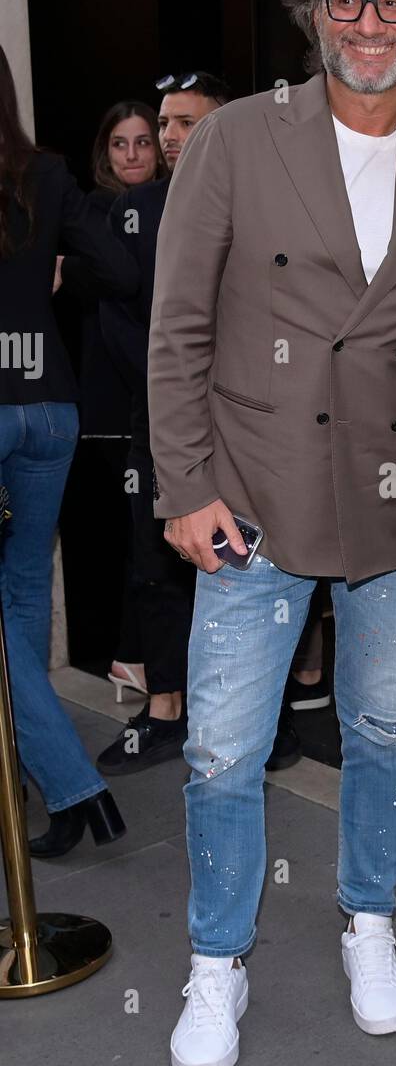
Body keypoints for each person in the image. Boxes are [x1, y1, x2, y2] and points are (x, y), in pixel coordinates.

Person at [147, 0, 396, 1066]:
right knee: (224, 751)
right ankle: (216, 960)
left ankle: (366, 924)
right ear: (313, 14)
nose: (369, 24)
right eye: (346, 2)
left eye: (393, 5)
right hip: (253, 500)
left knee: (384, 731)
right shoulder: (235, 138)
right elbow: (175, 324)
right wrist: (184, 485)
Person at [0, 44, 137, 857]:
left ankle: (74, 784)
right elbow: (119, 268)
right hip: (51, 408)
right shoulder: (48, 174)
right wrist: (56, 279)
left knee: (12, 612)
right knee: (20, 603)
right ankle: (51, 789)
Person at [94, 73, 228, 776]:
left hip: (238, 417)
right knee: (154, 565)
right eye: (166, 123)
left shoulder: (249, 201)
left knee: (239, 565)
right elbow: (121, 313)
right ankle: (165, 708)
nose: (171, 137)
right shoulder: (138, 209)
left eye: (186, 122)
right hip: (160, 415)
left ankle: (247, 717)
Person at [57, 101, 166, 706]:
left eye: (143, 142)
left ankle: (134, 657)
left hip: (146, 403)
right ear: (104, 151)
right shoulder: (96, 217)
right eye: (120, 143)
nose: (132, 154)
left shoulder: (169, 209)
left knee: (147, 537)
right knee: (141, 537)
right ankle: (133, 657)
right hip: (114, 406)